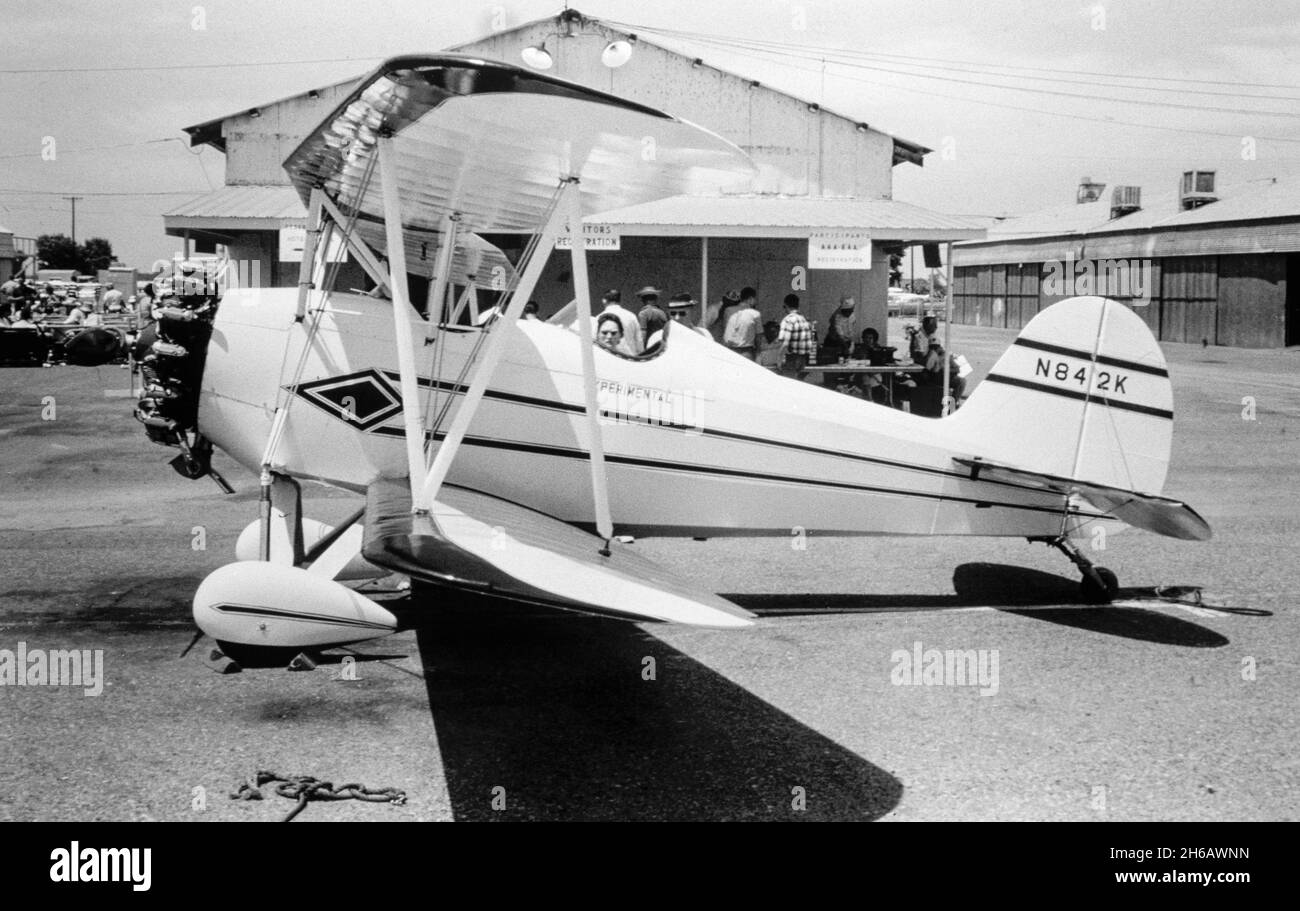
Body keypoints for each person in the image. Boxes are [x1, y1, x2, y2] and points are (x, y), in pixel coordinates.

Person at [777, 293, 815, 379]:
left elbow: (785, 343)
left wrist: (779, 359)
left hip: (791, 359)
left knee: (788, 384)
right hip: (803, 360)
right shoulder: (804, 320)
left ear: (786, 305)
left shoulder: (788, 320)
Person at [596, 289, 642, 353]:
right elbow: (639, 341)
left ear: (604, 301)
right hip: (629, 357)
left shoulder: (598, 318)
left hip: (606, 357)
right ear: (619, 300)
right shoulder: (631, 316)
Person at [722, 286, 761, 359]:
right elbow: (758, 337)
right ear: (751, 299)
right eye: (755, 299)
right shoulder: (755, 314)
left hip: (729, 350)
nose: (756, 302)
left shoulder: (728, 310)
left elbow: (725, 328)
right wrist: (759, 354)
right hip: (746, 352)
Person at [824, 295, 857, 360]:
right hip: (833, 343)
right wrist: (846, 348)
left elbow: (851, 329)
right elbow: (840, 336)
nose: (850, 313)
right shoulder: (837, 317)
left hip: (846, 342)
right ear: (843, 309)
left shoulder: (852, 315)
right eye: (847, 311)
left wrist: (852, 343)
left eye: (851, 310)